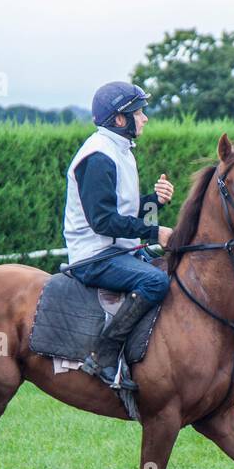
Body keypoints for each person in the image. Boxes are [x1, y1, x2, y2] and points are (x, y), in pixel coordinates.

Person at [63, 81, 175, 389]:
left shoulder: (121, 151)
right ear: (120, 119)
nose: (145, 118)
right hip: (94, 257)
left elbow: (126, 212)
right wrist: (155, 231)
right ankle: (104, 355)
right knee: (155, 281)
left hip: (118, 251)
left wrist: (154, 201)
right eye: (139, 112)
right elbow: (104, 222)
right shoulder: (98, 156)